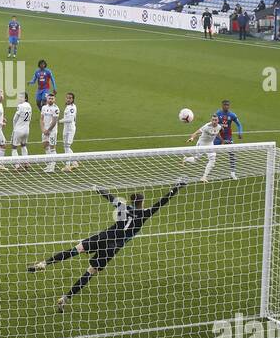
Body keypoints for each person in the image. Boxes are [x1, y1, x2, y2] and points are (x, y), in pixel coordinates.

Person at [28, 183, 187, 312]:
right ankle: (65, 298)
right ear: (142, 202)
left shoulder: (124, 208)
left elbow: (110, 198)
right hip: (113, 246)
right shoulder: (145, 213)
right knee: (90, 272)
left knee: (75, 250)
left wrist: (98, 189)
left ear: (132, 202)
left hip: (104, 236)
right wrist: (176, 187)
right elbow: (162, 202)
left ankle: (44, 264)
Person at [185, 113, 223, 181]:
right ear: (211, 120)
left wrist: (222, 140)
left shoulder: (219, 127)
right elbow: (196, 133)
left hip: (210, 144)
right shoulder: (206, 126)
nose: (214, 121)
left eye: (216, 120)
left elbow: (217, 133)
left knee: (212, 159)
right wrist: (192, 138)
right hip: (201, 144)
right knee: (195, 160)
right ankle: (185, 159)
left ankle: (204, 177)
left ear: (218, 120)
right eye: (213, 120)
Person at [214, 99, 242, 180]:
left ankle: (232, 173)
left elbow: (239, 124)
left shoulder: (232, 115)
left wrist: (240, 132)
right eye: (225, 105)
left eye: (227, 105)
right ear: (222, 105)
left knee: (232, 153)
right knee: (211, 153)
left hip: (228, 137)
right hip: (218, 137)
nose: (226, 106)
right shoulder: (217, 114)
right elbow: (213, 124)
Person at [39, 91, 60, 172]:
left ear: (54, 99)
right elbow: (41, 119)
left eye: (52, 98)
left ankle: (52, 166)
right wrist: (43, 129)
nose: (50, 100)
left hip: (52, 131)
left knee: (52, 148)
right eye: (49, 98)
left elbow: (54, 121)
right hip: (45, 130)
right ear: (46, 99)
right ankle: (49, 164)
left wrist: (48, 130)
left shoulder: (56, 109)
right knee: (45, 146)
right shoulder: (44, 107)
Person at [10, 92, 32, 166]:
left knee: (14, 147)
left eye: (21, 97)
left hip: (18, 130)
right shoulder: (29, 106)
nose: (19, 98)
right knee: (23, 145)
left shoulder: (20, 106)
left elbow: (14, 119)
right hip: (26, 130)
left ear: (25, 98)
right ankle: (26, 163)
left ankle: (17, 165)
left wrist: (14, 129)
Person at [61, 91, 78, 171]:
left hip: (70, 129)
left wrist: (60, 121)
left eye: (70, 98)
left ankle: (67, 166)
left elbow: (70, 119)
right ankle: (74, 162)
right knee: (66, 146)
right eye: (67, 98)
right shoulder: (68, 107)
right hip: (66, 128)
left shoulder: (72, 108)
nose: (68, 99)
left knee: (67, 146)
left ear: (73, 99)